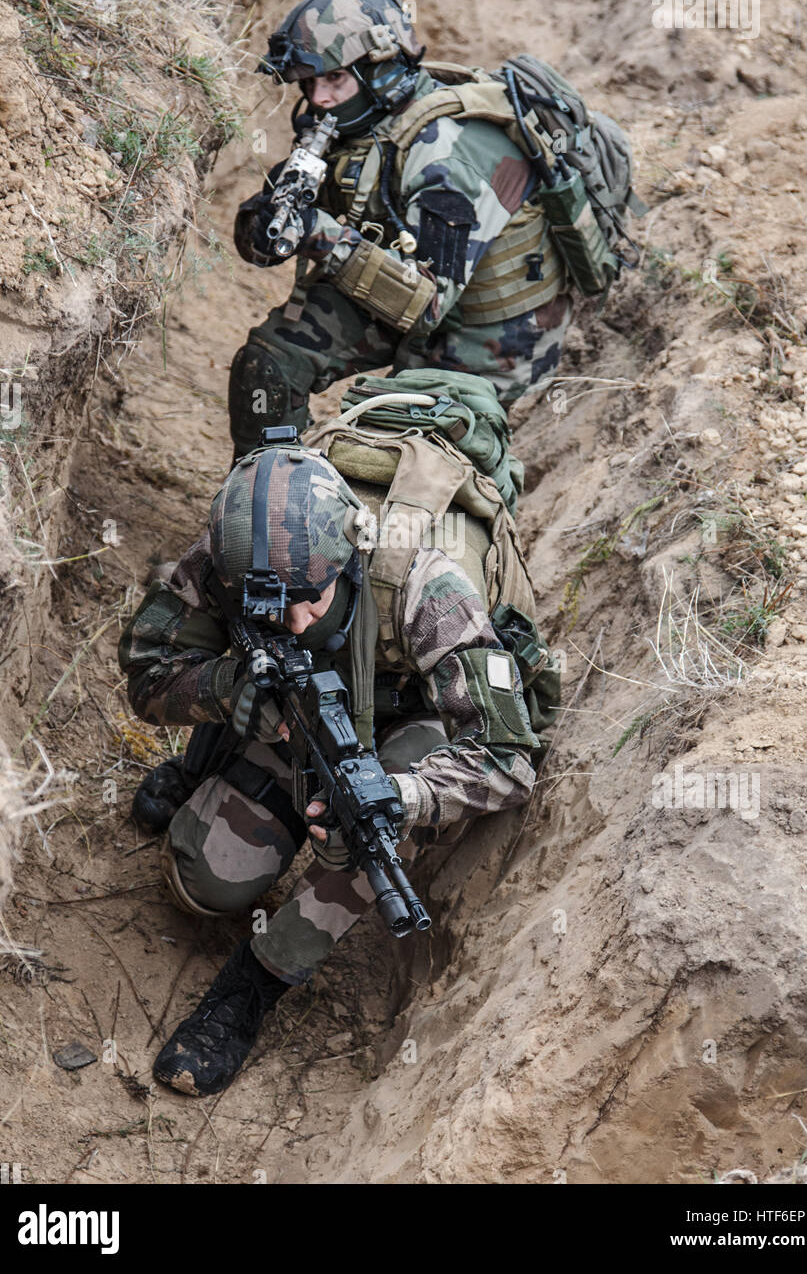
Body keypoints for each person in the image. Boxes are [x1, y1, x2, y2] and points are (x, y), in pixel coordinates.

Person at [118, 442, 546, 1096]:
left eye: (311, 600)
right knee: (207, 885)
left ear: (348, 558)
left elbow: (510, 759)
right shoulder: (223, 558)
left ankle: (249, 988)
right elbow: (146, 678)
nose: (295, 621)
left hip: (409, 723)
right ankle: (205, 769)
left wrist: (402, 793)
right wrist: (232, 689)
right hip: (293, 715)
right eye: (272, 608)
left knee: (372, 832)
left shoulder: (424, 585)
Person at [227, 0, 575, 461]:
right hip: (399, 286)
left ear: (382, 69)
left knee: (403, 459)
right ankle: (259, 497)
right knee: (268, 367)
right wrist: (267, 224)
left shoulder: (448, 156)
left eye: (334, 79)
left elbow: (428, 304)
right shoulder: (353, 123)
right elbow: (266, 239)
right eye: (309, 83)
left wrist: (318, 233)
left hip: (490, 329)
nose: (318, 98)